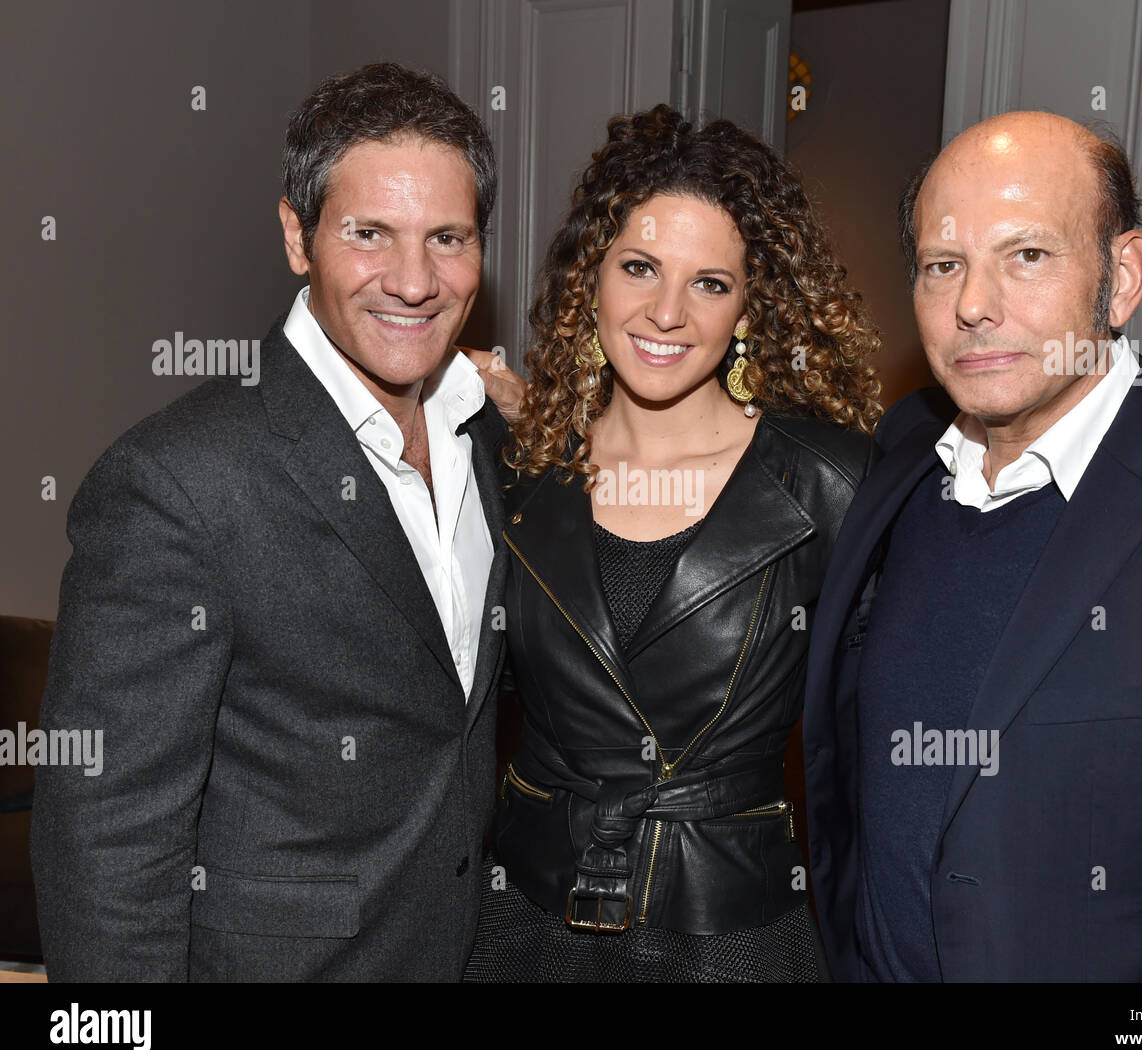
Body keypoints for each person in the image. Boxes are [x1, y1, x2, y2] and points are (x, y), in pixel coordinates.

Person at [31, 63, 514, 981]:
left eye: (447, 237)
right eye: (370, 233)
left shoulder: (481, 432)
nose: (415, 282)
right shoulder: (176, 482)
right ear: (298, 236)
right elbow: (106, 844)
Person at [804, 110, 1142, 982]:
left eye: (1027, 254)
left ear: (1123, 277)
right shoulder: (899, 459)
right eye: (942, 265)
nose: (973, 304)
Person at [462, 104, 882, 983]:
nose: (666, 312)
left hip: (729, 936)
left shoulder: (831, 485)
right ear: (593, 276)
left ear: (751, 304)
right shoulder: (517, 467)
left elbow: (881, 746)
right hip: (529, 924)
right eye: (640, 267)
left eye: (710, 283)